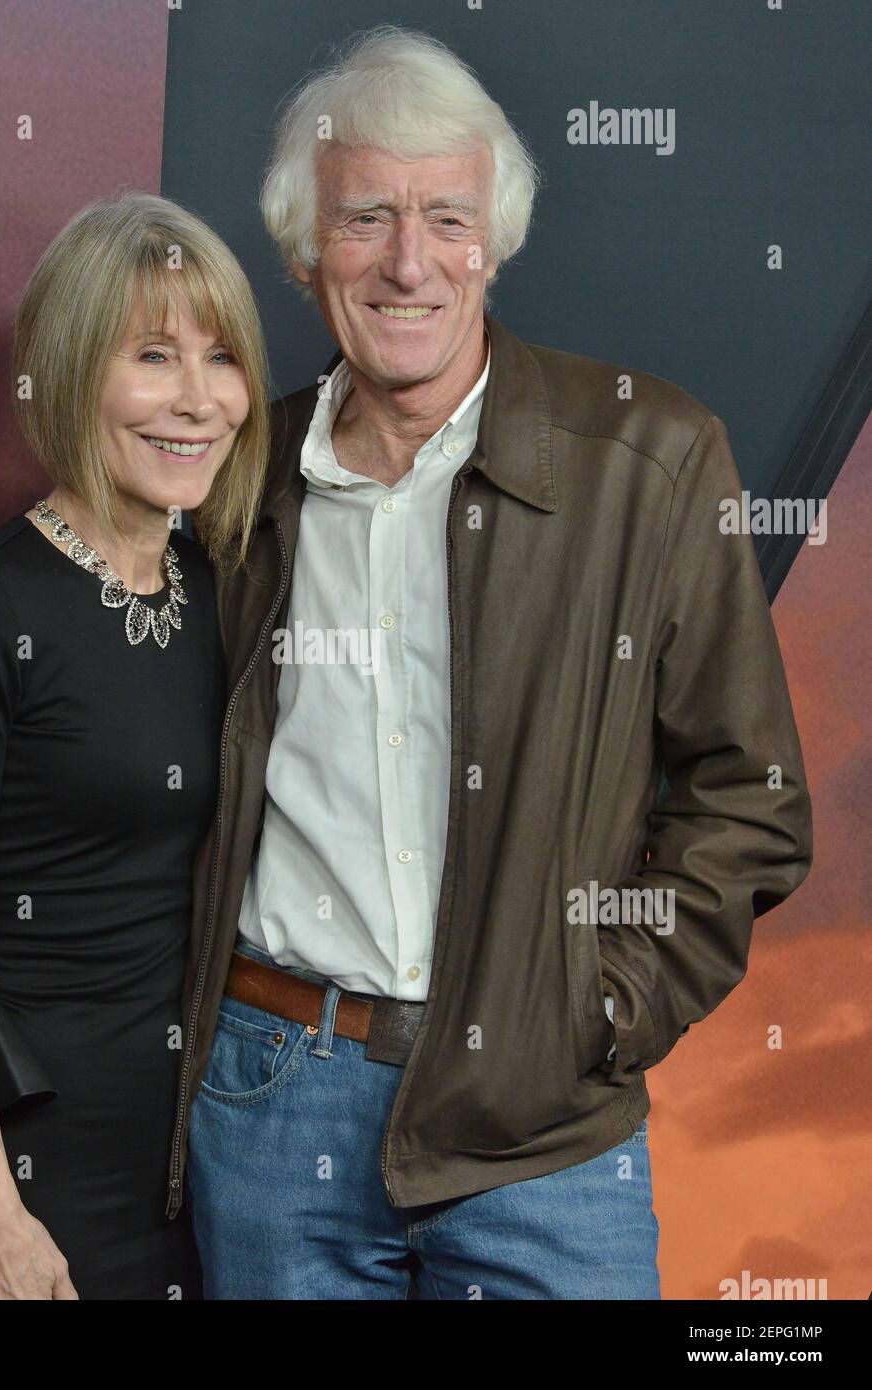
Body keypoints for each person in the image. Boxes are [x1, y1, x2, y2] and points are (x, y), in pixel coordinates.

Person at [168, 26, 814, 1299]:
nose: (409, 262)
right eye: (364, 217)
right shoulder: (231, 485)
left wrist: (596, 1012)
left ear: (495, 240)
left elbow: (748, 800)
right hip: (268, 1103)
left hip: (542, 1129)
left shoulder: (654, 459)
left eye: (446, 217)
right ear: (304, 254)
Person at [0, 190, 270, 1299]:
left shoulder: (226, 595)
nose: (199, 400)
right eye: (152, 355)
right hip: (16, 1165)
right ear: (70, 369)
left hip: (193, 1153)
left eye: (222, 358)